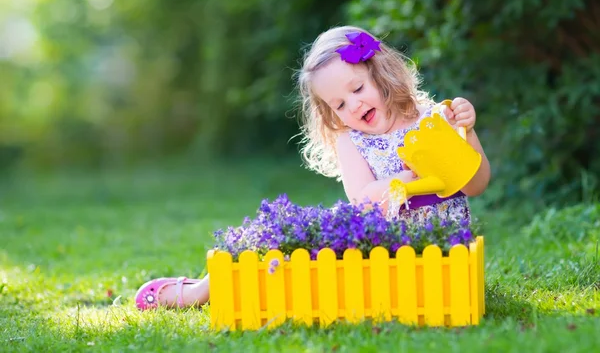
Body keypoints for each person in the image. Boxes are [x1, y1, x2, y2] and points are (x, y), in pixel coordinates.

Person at [134, 25, 491, 310]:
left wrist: (467, 133)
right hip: (378, 248)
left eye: (357, 88)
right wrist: (408, 176)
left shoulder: (432, 120)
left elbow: (475, 184)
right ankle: (205, 288)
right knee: (284, 242)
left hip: (442, 251)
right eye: (338, 104)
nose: (353, 105)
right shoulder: (353, 141)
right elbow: (364, 200)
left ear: (381, 73)